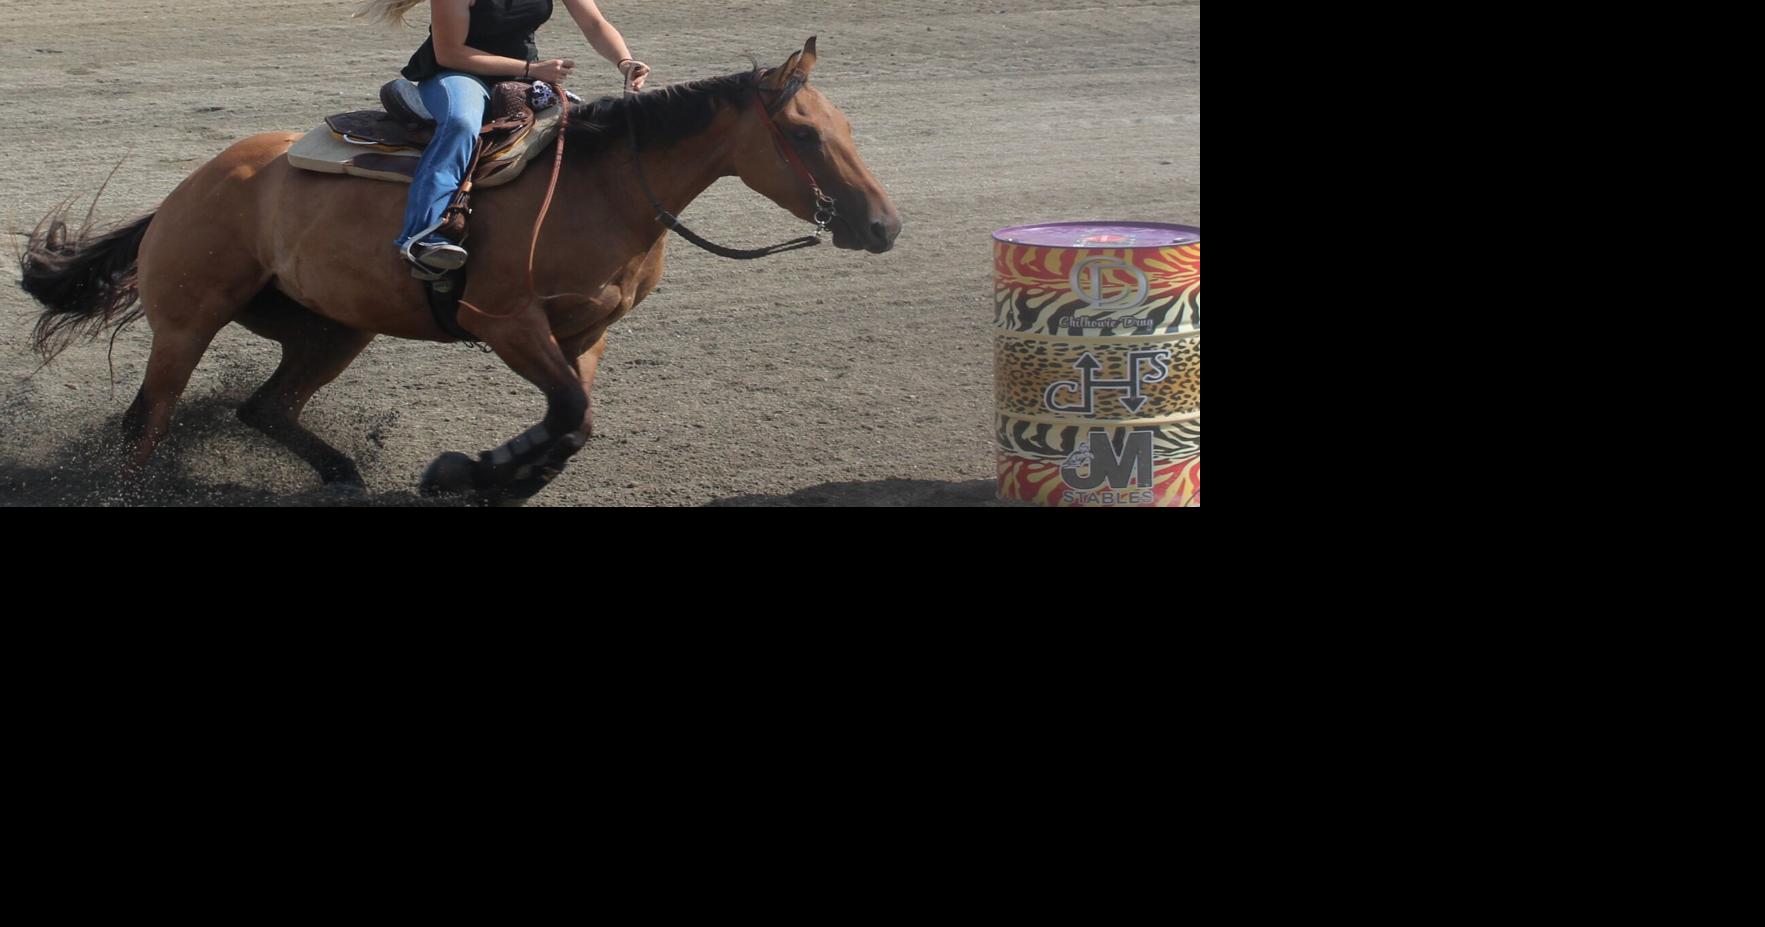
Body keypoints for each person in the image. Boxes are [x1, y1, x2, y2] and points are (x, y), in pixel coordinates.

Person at [355, 1, 650, 274]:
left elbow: (594, 23)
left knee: (581, 130)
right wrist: (532, 69)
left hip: (521, 79)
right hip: (457, 75)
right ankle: (421, 235)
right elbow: (451, 52)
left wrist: (624, 61)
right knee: (461, 123)